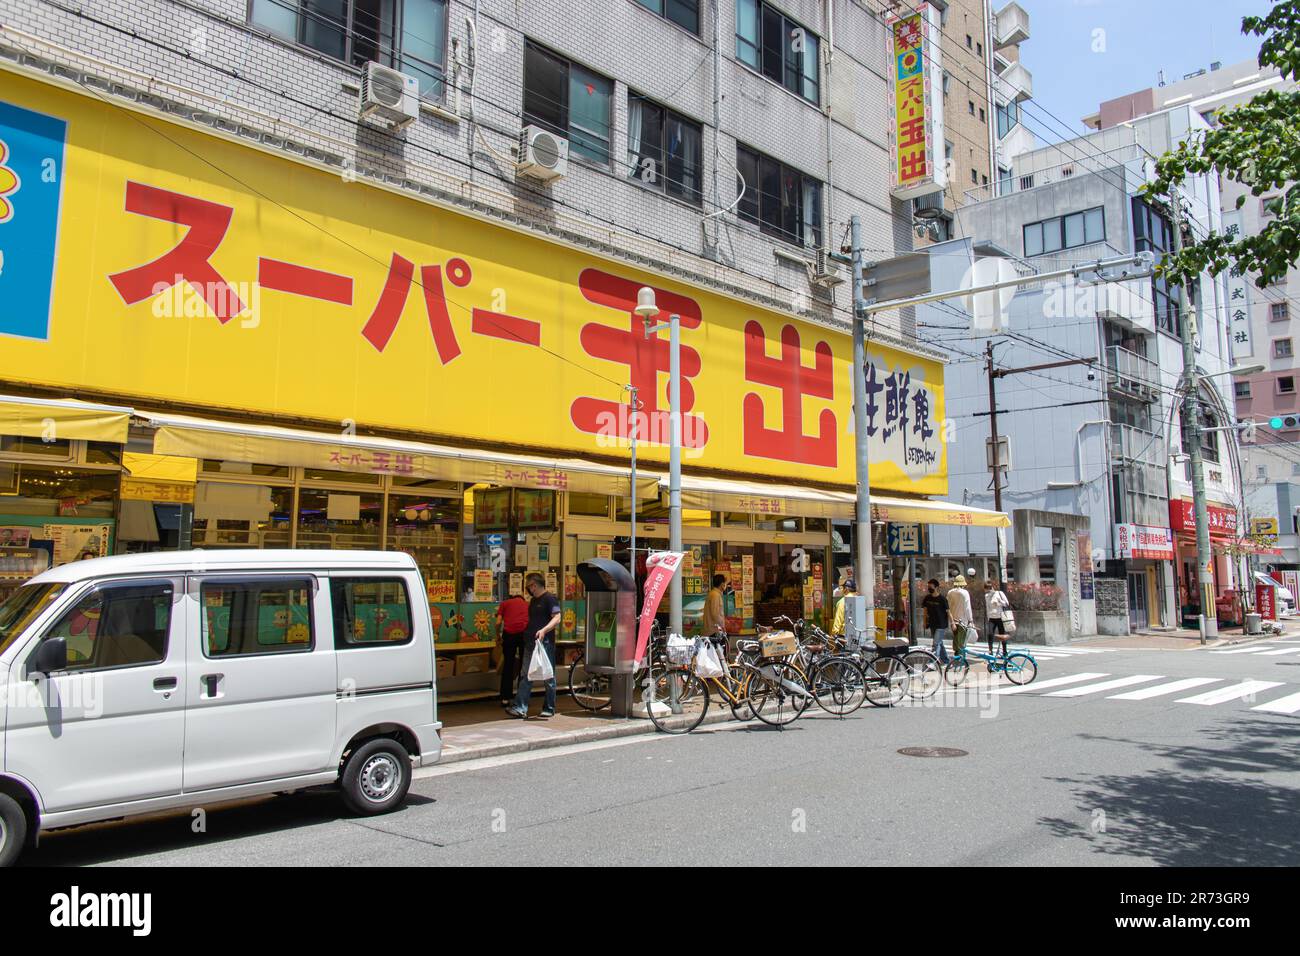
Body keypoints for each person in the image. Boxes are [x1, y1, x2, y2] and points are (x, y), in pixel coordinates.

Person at [506, 573, 563, 719]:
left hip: (545, 643)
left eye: (529, 585)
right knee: (526, 674)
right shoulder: (533, 600)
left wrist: (544, 630)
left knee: (548, 676)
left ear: (535, 585)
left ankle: (549, 708)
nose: (528, 589)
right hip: (531, 642)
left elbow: (557, 617)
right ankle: (520, 707)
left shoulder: (550, 598)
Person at [495, 591, 530, 708]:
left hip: (509, 635)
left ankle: (505, 698)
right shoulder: (527, 604)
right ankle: (521, 698)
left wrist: (497, 636)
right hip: (524, 634)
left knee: (508, 665)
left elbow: (498, 622)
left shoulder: (505, 603)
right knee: (523, 666)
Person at [921, 578, 950, 664]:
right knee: (939, 643)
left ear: (936, 587)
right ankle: (946, 660)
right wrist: (924, 622)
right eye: (928, 586)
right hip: (932, 623)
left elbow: (948, 612)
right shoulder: (927, 598)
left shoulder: (942, 599)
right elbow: (925, 611)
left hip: (941, 624)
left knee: (936, 643)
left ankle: (933, 662)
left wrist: (952, 623)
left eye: (931, 587)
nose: (929, 588)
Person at [946, 574, 974, 654]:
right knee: (962, 640)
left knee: (956, 638)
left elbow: (947, 606)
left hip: (953, 620)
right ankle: (960, 658)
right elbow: (968, 607)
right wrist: (970, 620)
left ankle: (956, 655)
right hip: (963, 620)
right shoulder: (964, 593)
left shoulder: (950, 592)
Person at [984, 579, 1011, 657]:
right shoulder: (986, 596)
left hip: (1000, 617)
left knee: (1002, 634)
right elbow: (987, 607)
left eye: (988, 588)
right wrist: (988, 617)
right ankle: (990, 650)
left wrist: (999, 602)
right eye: (986, 588)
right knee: (990, 634)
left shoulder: (999, 593)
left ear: (991, 587)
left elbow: (1006, 603)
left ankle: (1005, 652)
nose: (987, 590)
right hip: (992, 618)